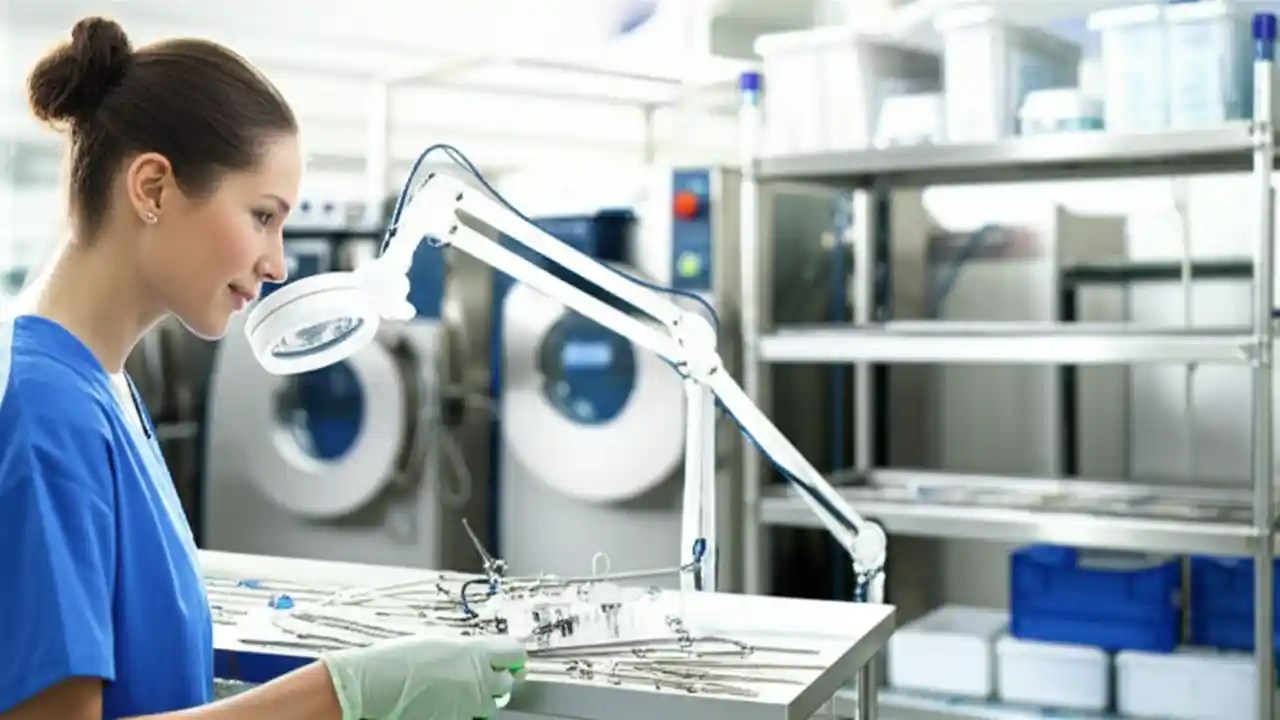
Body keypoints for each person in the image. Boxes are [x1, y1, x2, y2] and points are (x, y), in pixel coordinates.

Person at [0, 16, 525, 720]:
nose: (276, 263)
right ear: (152, 188)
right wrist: (339, 694)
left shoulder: (106, 389)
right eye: (262, 216)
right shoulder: (47, 412)